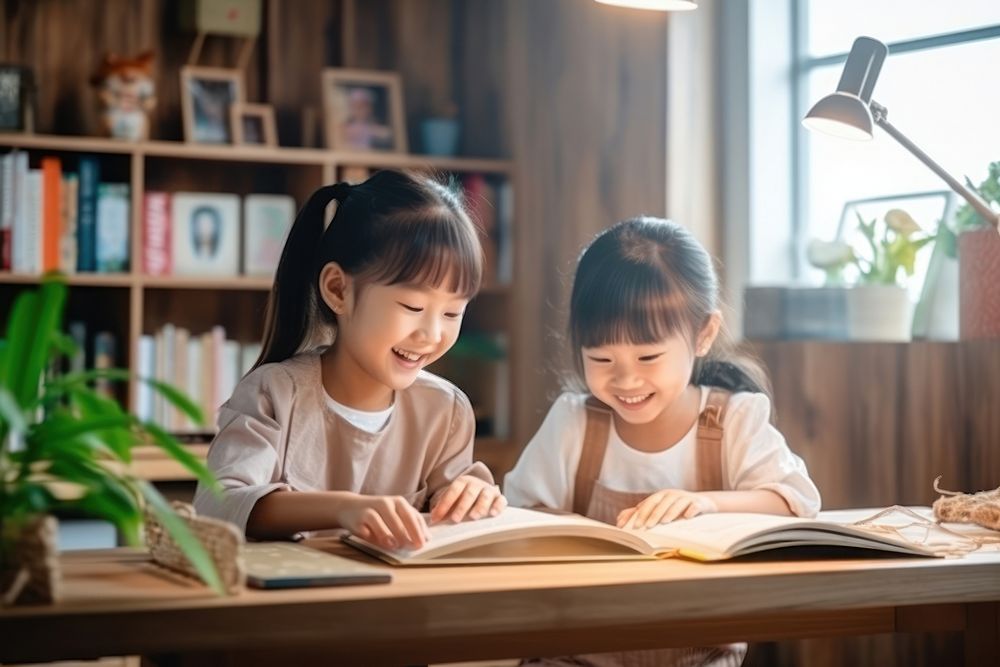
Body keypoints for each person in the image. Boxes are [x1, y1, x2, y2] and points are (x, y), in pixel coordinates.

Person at [504, 216, 821, 666]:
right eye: (601, 358)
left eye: (648, 356)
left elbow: (798, 504)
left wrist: (706, 504)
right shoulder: (574, 423)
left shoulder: (732, 419)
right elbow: (515, 520)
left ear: (703, 334)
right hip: (575, 654)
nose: (626, 378)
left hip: (700, 655)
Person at [194, 170, 506, 549]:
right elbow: (219, 504)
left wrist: (470, 494)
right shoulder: (273, 394)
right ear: (338, 290)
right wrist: (345, 509)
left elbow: (451, 514)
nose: (432, 334)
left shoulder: (446, 410)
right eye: (413, 306)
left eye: (452, 314)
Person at [337, 86, 393, 150]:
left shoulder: (374, 126)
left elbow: (385, 134)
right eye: (356, 107)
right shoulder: (345, 127)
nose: (359, 110)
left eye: (363, 107)